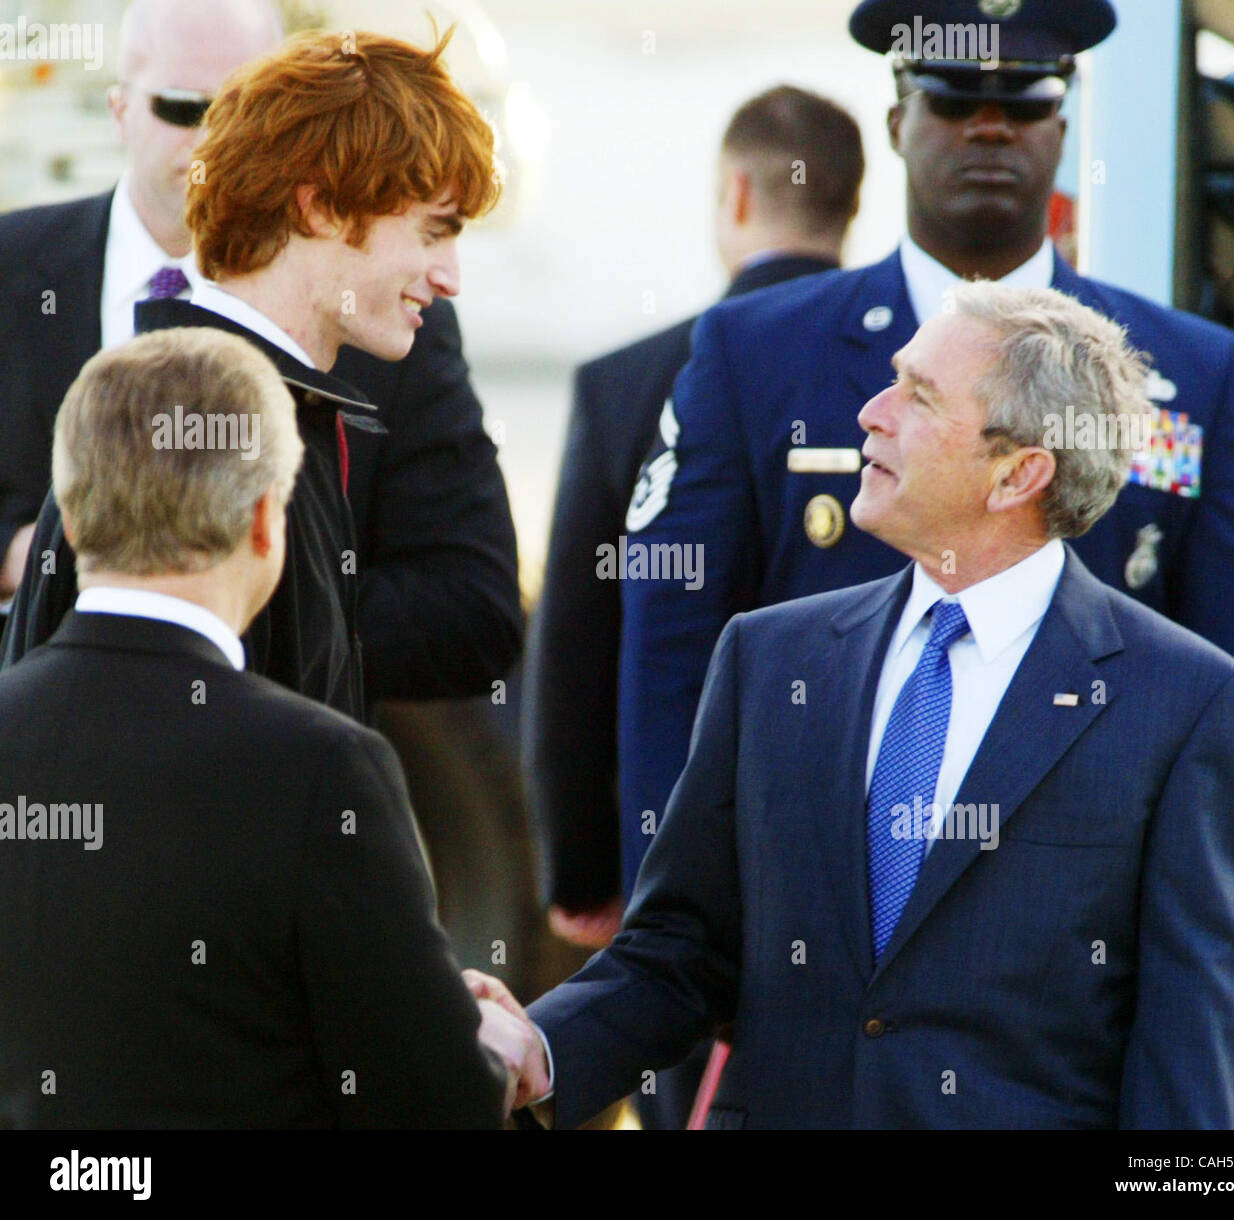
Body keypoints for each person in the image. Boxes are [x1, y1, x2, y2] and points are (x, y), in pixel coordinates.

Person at [475, 282, 1234, 1129]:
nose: (870, 412)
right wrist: (538, 1048)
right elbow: (680, 951)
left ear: (1019, 473)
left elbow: (1193, 1066)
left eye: (918, 396)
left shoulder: (1189, 706)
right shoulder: (771, 657)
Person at [617, 0, 1234, 924]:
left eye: (1021, 101)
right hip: (808, 914)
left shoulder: (1189, 372)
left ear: (1063, 124)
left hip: (1078, 943)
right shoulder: (756, 354)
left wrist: (1221, 930)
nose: (988, 127)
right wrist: (683, 932)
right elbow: (671, 658)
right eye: (954, 98)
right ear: (897, 120)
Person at [0, 329, 539, 1128]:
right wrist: (481, 1040)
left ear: (71, 523)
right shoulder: (323, 765)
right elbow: (436, 1102)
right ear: (264, 521)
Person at [0, 0, 521, 703]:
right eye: (432, 232)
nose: (449, 276)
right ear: (320, 208)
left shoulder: (167, 385)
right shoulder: (177, 403)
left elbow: (472, 611)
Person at [525, 85, 865, 950]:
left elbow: (576, 648)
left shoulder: (628, 381)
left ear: (737, 196)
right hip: (866, 863)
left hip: (681, 876)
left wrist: (583, 870)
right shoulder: (911, 376)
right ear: (853, 203)